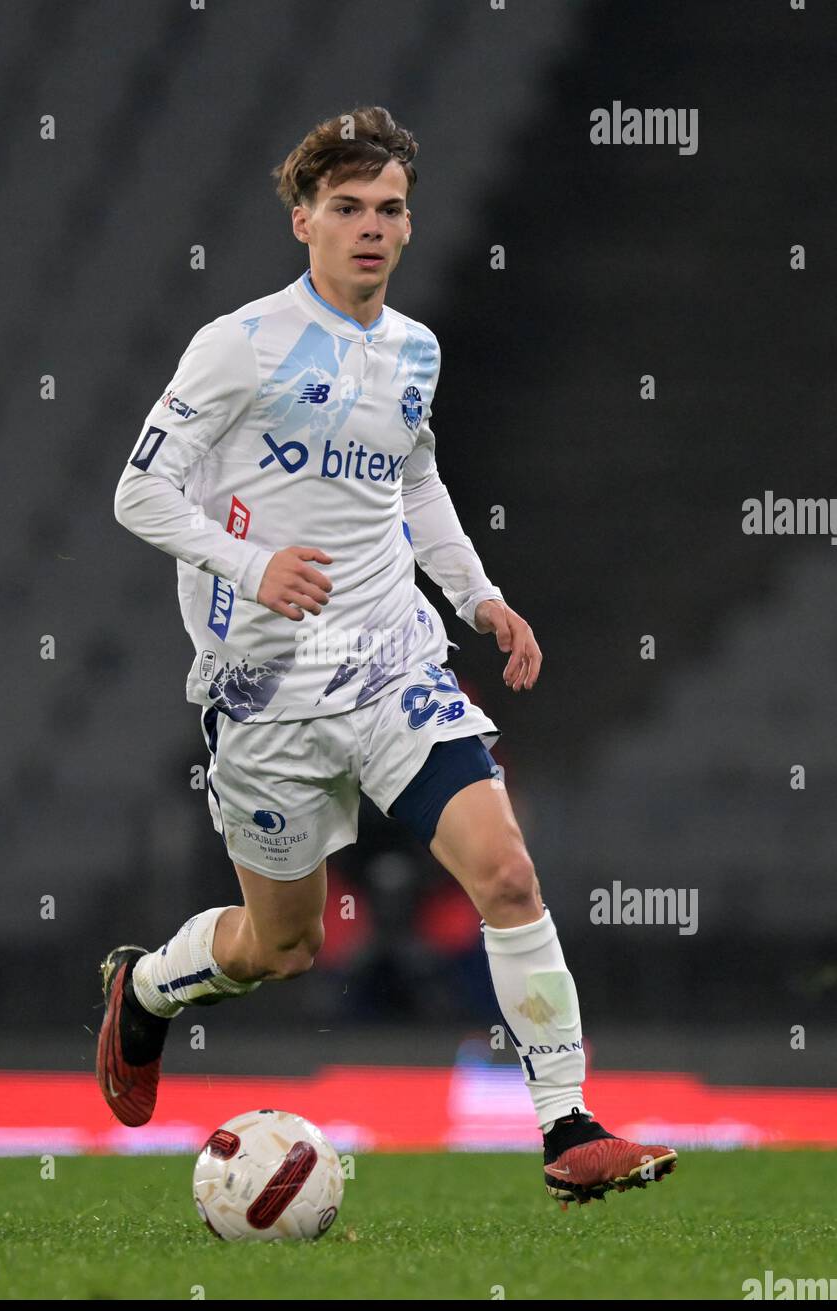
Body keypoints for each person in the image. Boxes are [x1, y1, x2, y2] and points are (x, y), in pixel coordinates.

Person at [96, 106, 676, 1208]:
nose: (372, 227)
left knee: (504, 869)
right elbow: (140, 491)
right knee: (283, 947)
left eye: (391, 209)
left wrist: (480, 595)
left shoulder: (414, 349)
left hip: (387, 659)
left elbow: (412, 482)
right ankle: (150, 990)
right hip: (262, 688)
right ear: (304, 219)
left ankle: (568, 1124)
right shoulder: (239, 344)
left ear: (410, 226)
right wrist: (252, 562)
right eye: (349, 208)